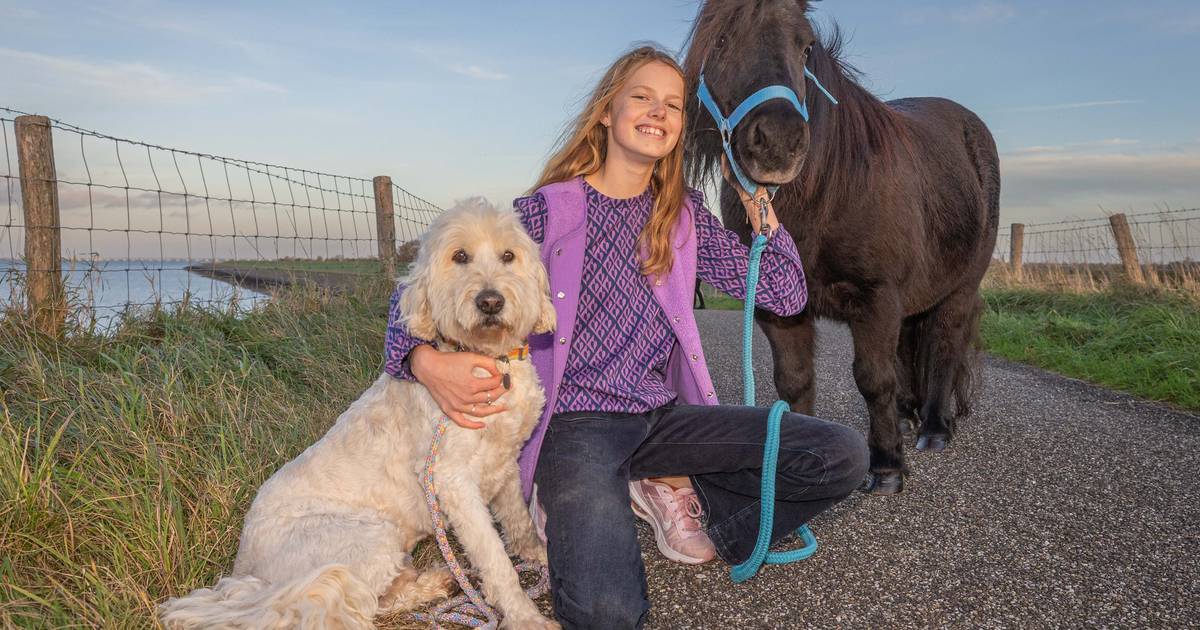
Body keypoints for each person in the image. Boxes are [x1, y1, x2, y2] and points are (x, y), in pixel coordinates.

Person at [383, 45, 868, 629]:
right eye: (641, 96)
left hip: (662, 419)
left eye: (672, 104)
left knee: (841, 455)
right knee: (607, 614)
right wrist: (423, 359)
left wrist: (766, 220)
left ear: (681, 129)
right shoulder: (545, 211)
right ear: (607, 113)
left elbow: (786, 296)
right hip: (574, 428)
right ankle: (583, 496)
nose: (657, 111)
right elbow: (426, 284)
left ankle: (686, 496)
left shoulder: (682, 217)